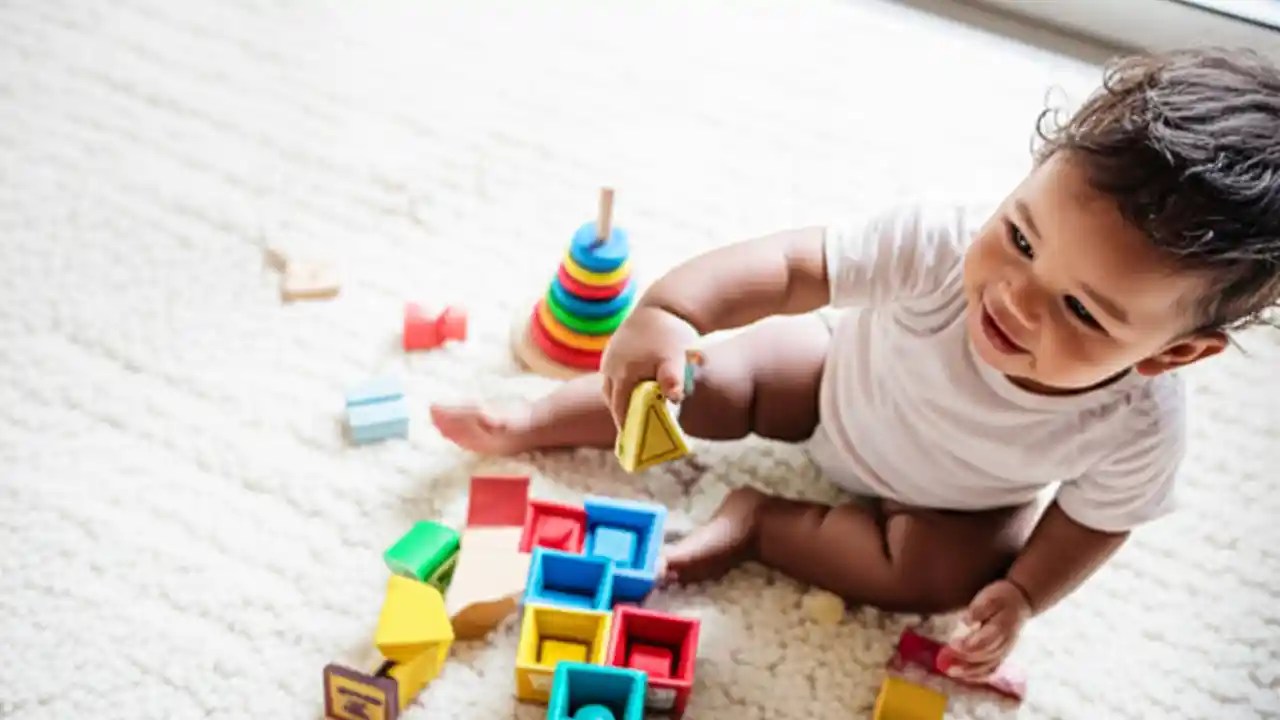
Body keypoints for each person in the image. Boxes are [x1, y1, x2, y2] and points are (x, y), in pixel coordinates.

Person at [432, 48, 1280, 679]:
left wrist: (1023, 594)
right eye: (1020, 236)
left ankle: (762, 523)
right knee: (699, 381)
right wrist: (668, 311)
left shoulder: (1137, 426)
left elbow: (1093, 521)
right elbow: (795, 267)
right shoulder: (942, 243)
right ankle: (540, 418)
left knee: (941, 578)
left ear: (1173, 353)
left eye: (1082, 310)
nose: (1016, 298)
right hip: (833, 386)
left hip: (951, 504)